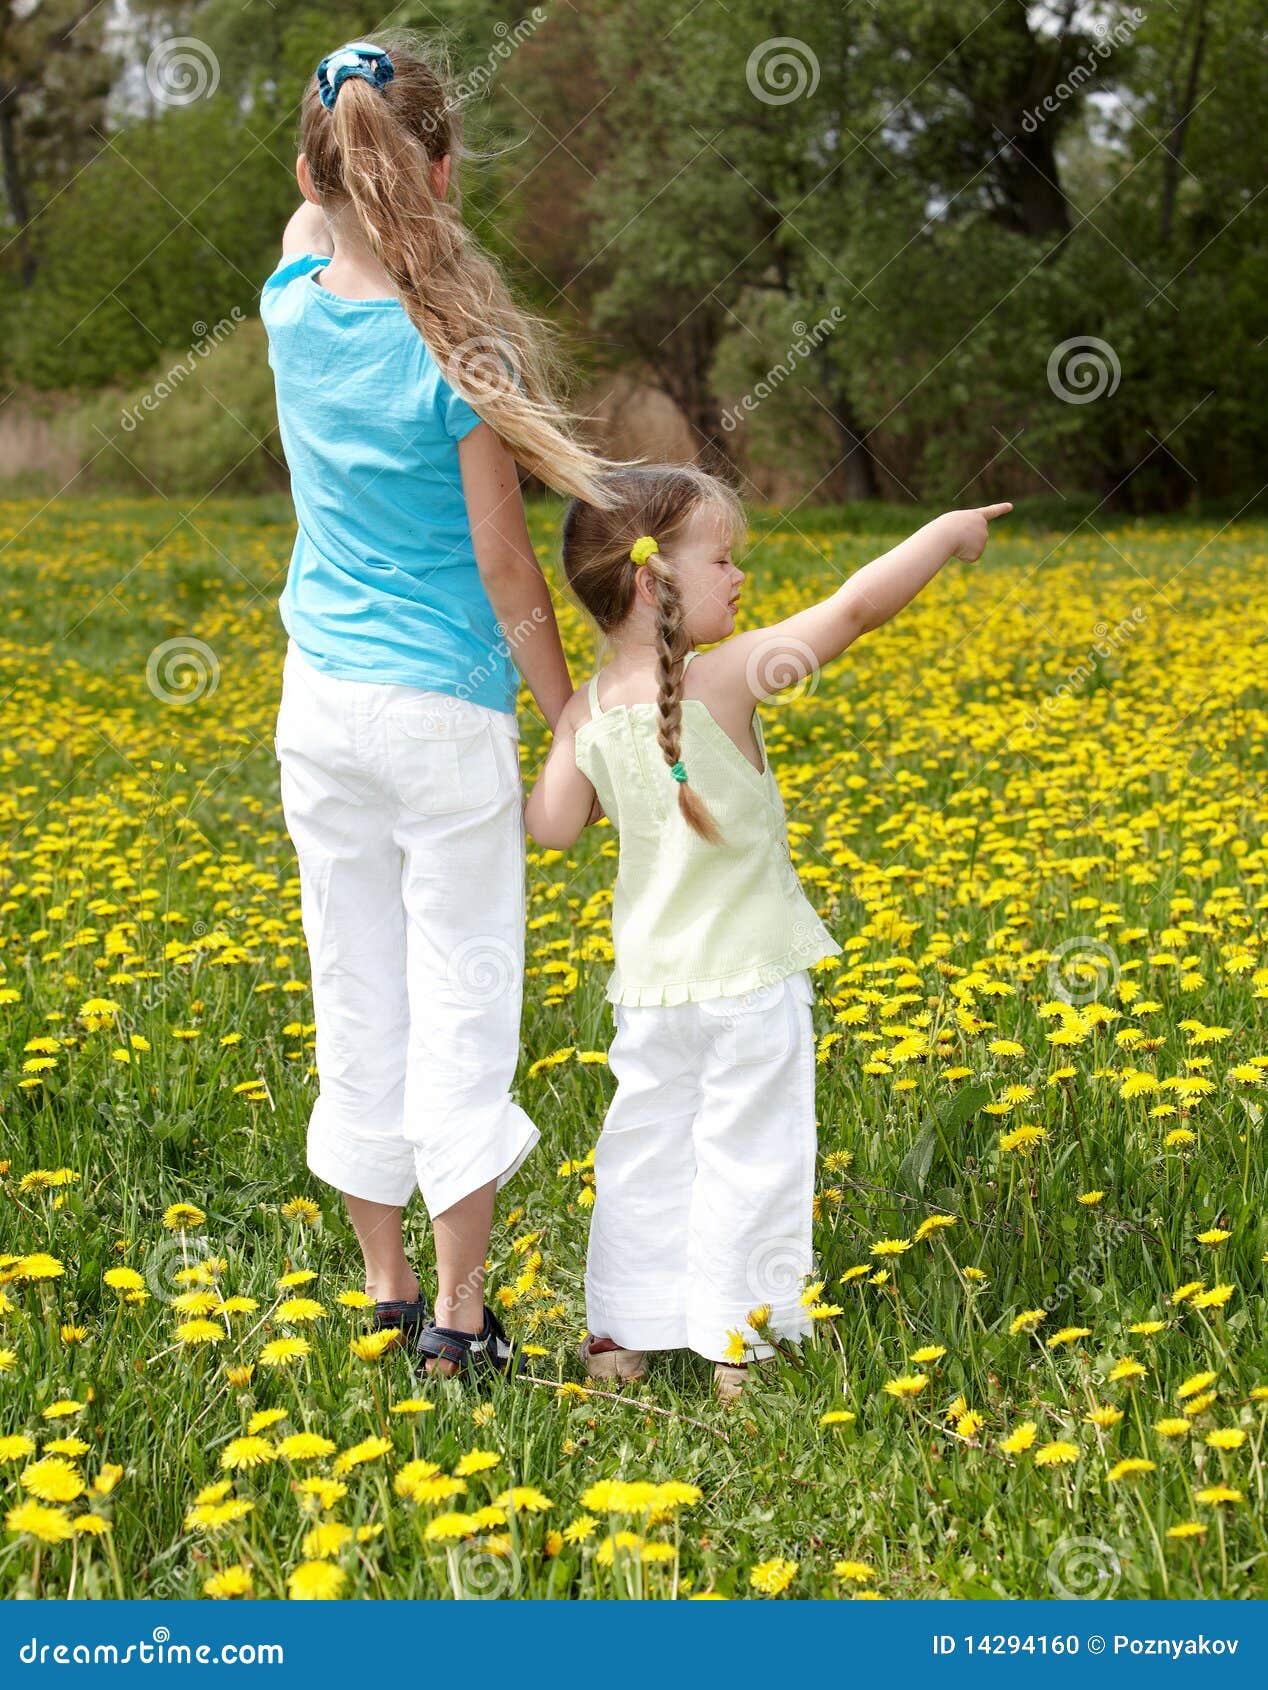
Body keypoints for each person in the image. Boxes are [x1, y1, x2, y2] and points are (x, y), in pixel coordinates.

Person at [260, 34, 620, 1377]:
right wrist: (569, 707)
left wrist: (345, 151)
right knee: (462, 1001)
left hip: (322, 710)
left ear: (317, 165)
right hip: (444, 715)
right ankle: (463, 1323)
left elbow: (313, 212)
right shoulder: (456, 355)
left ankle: (382, 1287)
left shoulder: (293, 308)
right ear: (445, 172)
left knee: (354, 987)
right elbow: (504, 563)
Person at [525, 464, 1010, 1397]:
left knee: (643, 1156)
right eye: (722, 558)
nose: (740, 576)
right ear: (651, 579)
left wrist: (566, 739)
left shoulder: (587, 713)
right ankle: (739, 1349)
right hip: (750, 984)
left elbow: (549, 827)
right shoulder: (732, 676)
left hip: (653, 996)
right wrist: (946, 532)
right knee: (752, 1160)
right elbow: (858, 608)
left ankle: (620, 1339)